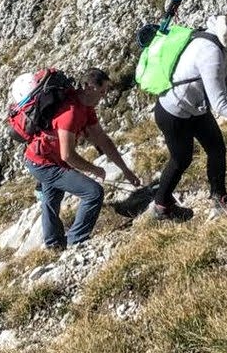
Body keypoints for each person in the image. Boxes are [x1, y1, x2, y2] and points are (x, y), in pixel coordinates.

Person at [151, 5, 227, 221]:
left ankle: (220, 198)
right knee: (181, 159)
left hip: (195, 108)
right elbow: (220, 103)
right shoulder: (212, 52)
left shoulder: (218, 41)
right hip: (174, 113)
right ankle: (161, 206)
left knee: (217, 148)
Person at [23, 69, 140, 249]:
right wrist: (94, 169)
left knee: (51, 198)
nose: (104, 95)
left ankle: (54, 243)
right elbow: (68, 155)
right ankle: (75, 240)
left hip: (44, 157)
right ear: (88, 87)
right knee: (93, 193)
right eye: (102, 90)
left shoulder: (86, 109)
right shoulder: (70, 112)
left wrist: (125, 170)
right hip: (43, 163)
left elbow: (103, 140)